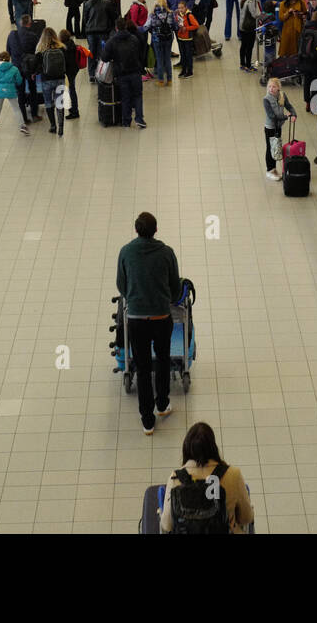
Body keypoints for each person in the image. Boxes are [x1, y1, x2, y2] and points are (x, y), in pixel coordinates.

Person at [115, 212, 182, 435]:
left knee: (142, 368)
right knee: (162, 360)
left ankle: (147, 420)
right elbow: (175, 287)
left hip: (136, 320)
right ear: (156, 230)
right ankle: (162, 404)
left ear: (136, 230)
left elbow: (121, 285)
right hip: (161, 318)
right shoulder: (166, 253)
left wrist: (135, 299)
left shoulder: (126, 252)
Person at [158, 422, 256, 534]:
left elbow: (167, 525)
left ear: (186, 447)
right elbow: (246, 518)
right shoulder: (233, 474)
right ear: (213, 447)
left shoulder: (175, 478)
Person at [101, 17, 147, 128]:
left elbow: (104, 58)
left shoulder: (111, 41)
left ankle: (126, 121)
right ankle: (139, 119)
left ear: (116, 28)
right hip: (135, 71)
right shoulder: (134, 39)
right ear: (125, 26)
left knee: (125, 97)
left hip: (121, 73)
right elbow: (140, 53)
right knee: (138, 95)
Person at [35, 27, 68, 136]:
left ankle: (53, 126)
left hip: (46, 80)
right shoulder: (62, 48)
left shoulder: (41, 50)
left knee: (48, 102)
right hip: (60, 79)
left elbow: (38, 67)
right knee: (59, 102)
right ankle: (61, 127)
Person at [263, 77, 296, 181]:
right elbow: (272, 116)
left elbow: (289, 106)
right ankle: (269, 170)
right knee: (270, 148)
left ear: (278, 88)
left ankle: (274, 169)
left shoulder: (282, 95)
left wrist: (294, 114)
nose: (271, 89)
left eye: (274, 86)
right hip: (270, 128)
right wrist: (286, 117)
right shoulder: (266, 99)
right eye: (269, 86)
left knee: (276, 148)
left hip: (278, 127)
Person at [82, 0, 116, 83]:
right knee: (102, 53)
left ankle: (91, 74)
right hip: (103, 32)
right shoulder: (107, 3)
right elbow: (113, 17)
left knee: (91, 52)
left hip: (90, 32)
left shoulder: (87, 4)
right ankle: (101, 73)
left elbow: (85, 18)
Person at [0, 50, 30, 134]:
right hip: (11, 91)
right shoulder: (14, 69)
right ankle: (22, 126)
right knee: (16, 109)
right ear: (9, 59)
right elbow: (19, 81)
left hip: (0, 91)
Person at [149, 0, 175, 86]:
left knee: (159, 59)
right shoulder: (170, 13)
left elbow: (147, 26)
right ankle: (169, 80)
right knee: (167, 59)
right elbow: (175, 27)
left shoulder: (153, 14)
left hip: (157, 39)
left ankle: (160, 80)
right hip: (168, 38)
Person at [58, 28, 82, 121]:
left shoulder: (63, 48)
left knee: (71, 90)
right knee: (72, 89)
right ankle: (74, 110)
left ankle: (75, 111)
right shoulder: (72, 44)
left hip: (68, 71)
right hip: (74, 70)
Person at [237, 0, 260, 73]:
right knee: (249, 47)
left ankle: (242, 64)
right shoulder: (250, 3)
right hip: (249, 28)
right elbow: (255, 14)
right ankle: (248, 65)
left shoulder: (242, 0)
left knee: (243, 45)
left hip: (242, 26)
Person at [174, 1, 199, 78]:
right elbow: (178, 22)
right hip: (181, 38)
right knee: (183, 55)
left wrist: (187, 28)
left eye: (182, 8)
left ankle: (190, 71)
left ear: (186, 8)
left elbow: (196, 25)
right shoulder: (179, 15)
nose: (180, 9)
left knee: (188, 55)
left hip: (188, 39)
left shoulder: (189, 15)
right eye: (179, 8)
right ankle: (183, 70)